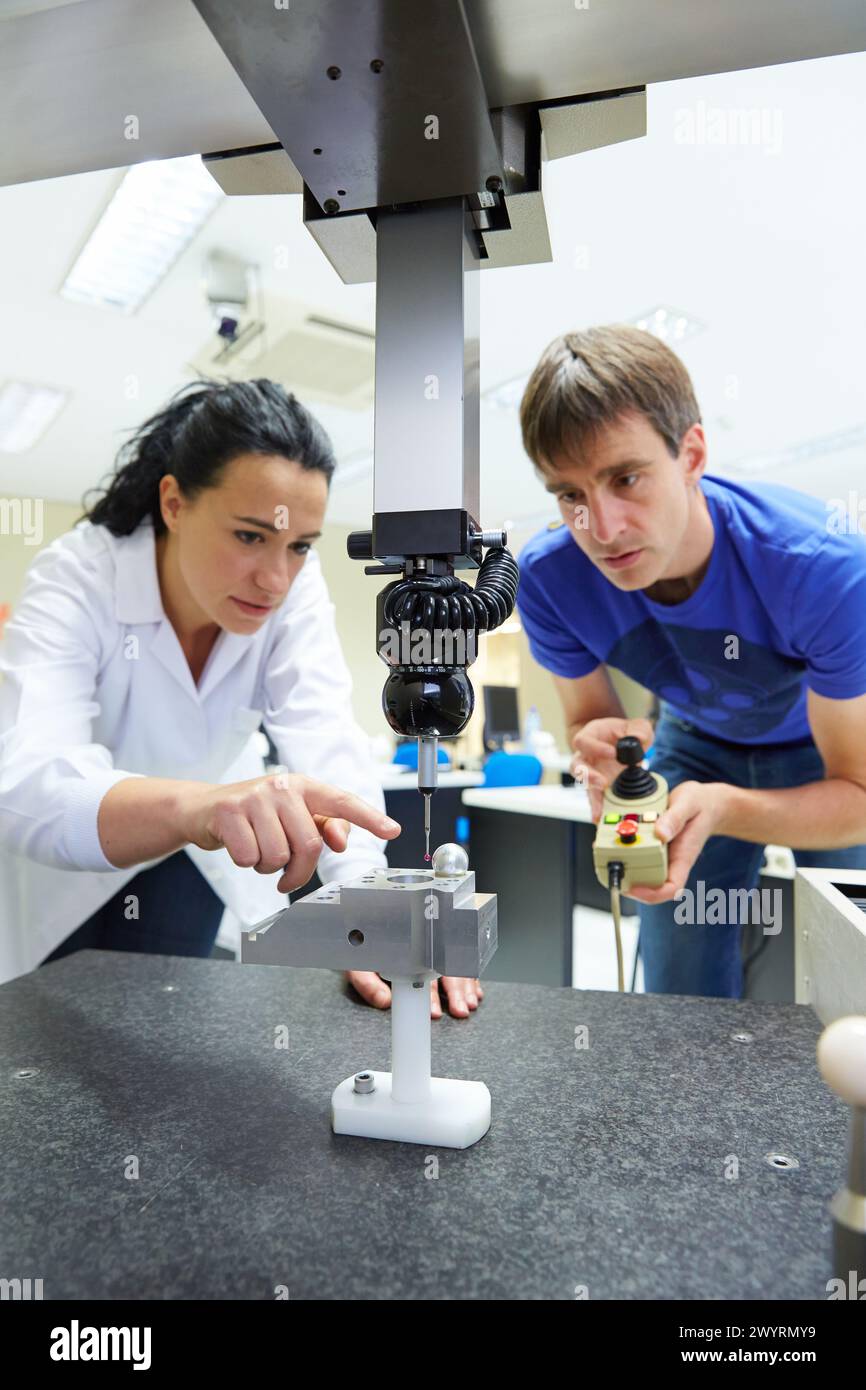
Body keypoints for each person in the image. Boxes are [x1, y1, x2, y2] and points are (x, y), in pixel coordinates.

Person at [0, 379, 483, 1018]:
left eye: (300, 546)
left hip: (196, 861)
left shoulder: (292, 584)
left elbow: (325, 738)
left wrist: (369, 910)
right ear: (173, 502)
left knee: (170, 1036)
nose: (276, 578)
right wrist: (199, 803)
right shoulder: (82, 572)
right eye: (250, 537)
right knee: (50, 1048)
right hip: (73, 865)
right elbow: (28, 777)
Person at [516, 325, 866, 997]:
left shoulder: (824, 569)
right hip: (694, 743)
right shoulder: (549, 581)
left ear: (692, 453)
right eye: (570, 494)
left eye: (626, 478)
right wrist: (600, 752)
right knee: (678, 980)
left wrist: (728, 807)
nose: (603, 528)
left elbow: (858, 797)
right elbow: (593, 725)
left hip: (825, 756)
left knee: (851, 981)